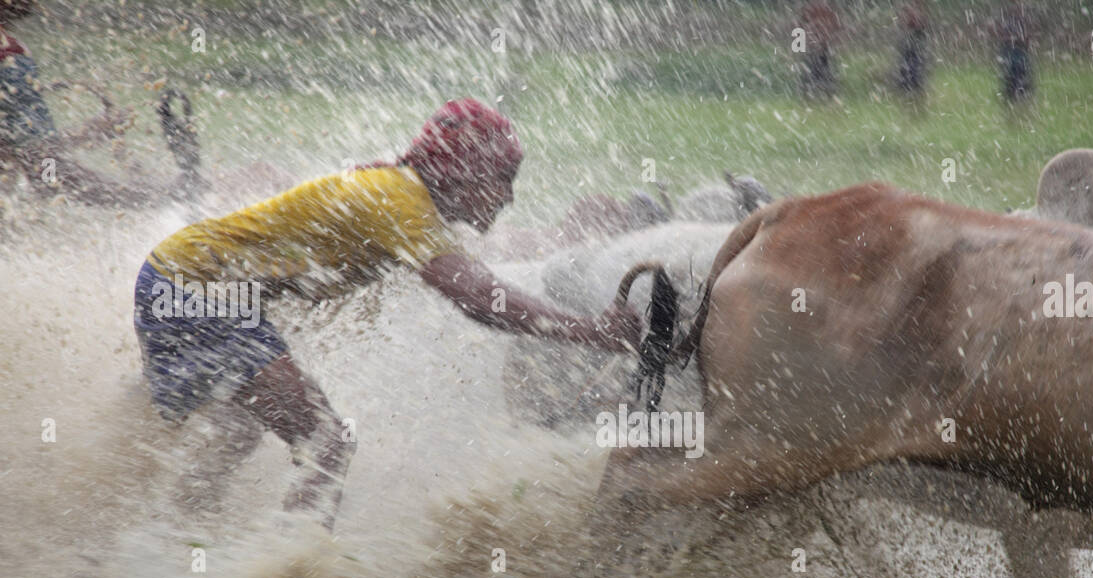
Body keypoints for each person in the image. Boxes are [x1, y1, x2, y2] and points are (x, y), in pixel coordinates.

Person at [132, 97, 642, 529]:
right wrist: (594, 332)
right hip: (193, 289)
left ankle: (173, 539)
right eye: (502, 178)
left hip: (183, 282)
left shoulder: (403, 194)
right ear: (461, 171)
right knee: (326, 442)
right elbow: (482, 299)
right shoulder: (401, 200)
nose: (508, 197)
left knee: (236, 431)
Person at [0, 0, 192, 206]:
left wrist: (90, 132)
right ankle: (174, 195)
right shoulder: (9, 61)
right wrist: (164, 196)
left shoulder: (11, 55)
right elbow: (46, 173)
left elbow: (24, 153)